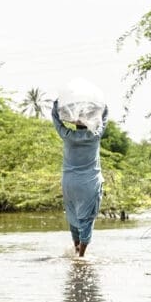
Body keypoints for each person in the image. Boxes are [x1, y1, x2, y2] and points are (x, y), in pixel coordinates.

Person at [51, 100, 107, 257]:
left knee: (73, 214)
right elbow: (104, 120)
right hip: (89, 182)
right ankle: (81, 256)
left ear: (75, 124)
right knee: (86, 218)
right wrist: (104, 107)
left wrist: (55, 106)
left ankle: (76, 250)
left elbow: (56, 121)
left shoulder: (68, 136)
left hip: (70, 183)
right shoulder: (95, 135)